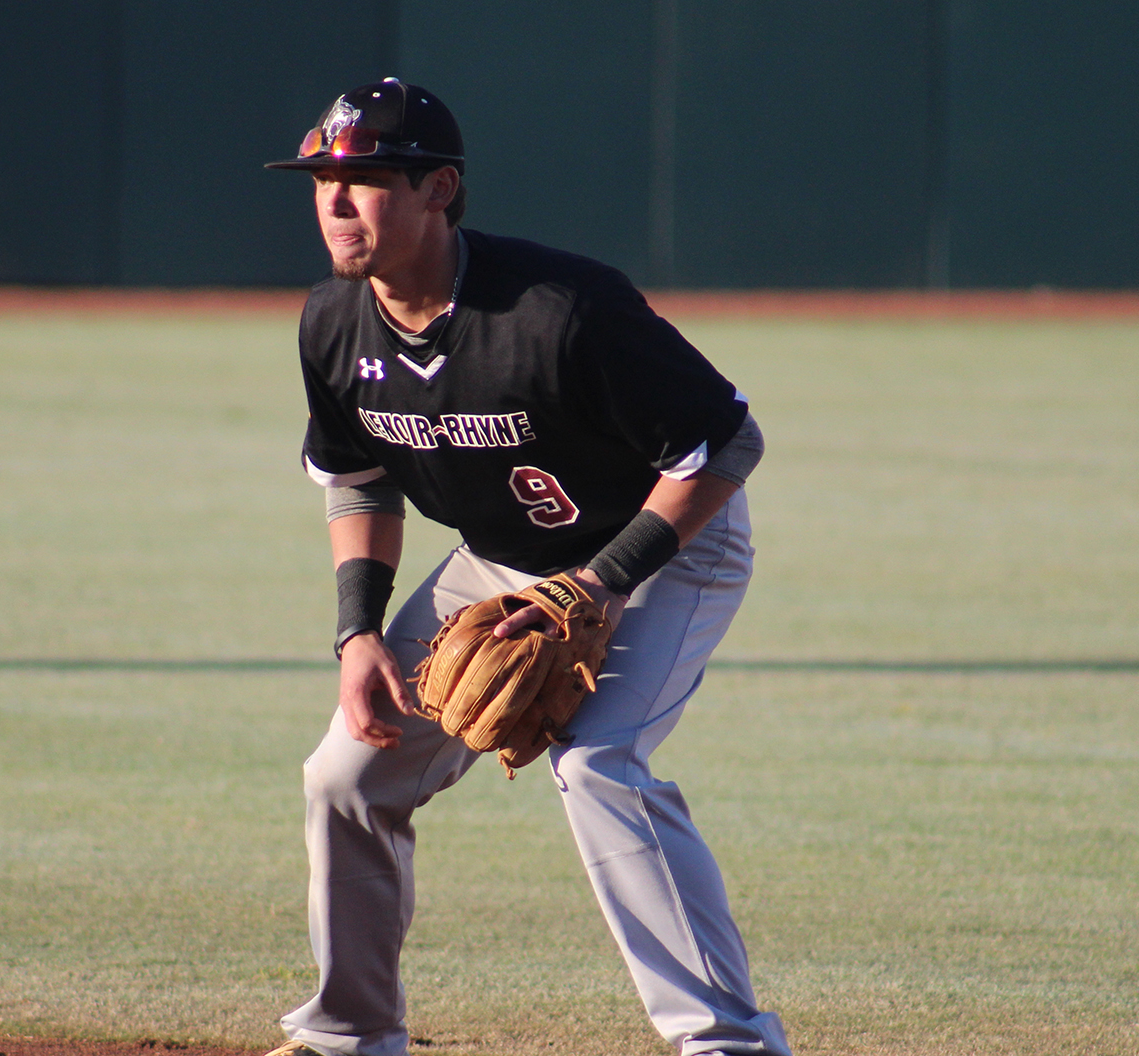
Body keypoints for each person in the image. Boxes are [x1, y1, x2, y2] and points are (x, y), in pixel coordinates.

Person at [259, 78, 791, 1056]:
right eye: (322, 180)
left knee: (599, 767)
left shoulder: (559, 309)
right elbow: (359, 479)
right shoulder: (334, 325)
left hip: (667, 549)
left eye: (368, 178)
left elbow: (723, 446)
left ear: (438, 190)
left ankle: (729, 1042)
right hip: (500, 566)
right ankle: (350, 1033)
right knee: (346, 776)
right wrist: (359, 631)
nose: (336, 202)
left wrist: (598, 586)